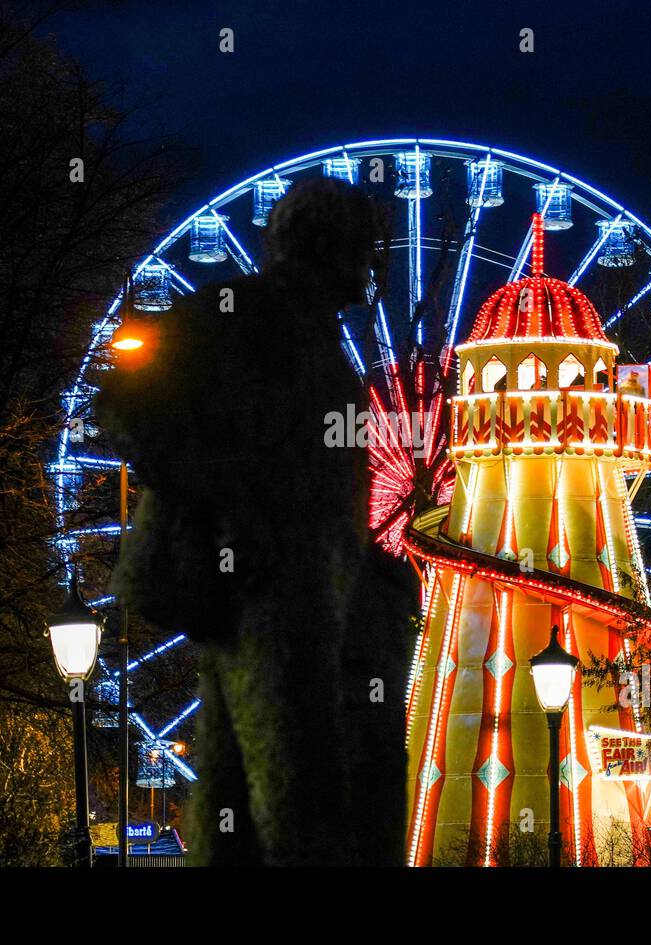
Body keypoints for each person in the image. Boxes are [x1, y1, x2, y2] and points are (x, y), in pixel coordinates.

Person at [96, 178, 414, 865]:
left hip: (303, 590)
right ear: (329, 243)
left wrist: (368, 569)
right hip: (267, 590)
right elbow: (126, 403)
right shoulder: (242, 314)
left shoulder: (315, 340)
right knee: (304, 791)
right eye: (364, 244)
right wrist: (236, 503)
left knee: (231, 799)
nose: (373, 263)